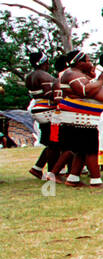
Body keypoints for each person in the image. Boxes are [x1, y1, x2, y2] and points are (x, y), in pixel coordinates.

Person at [51, 51, 103, 188]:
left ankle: (73, 178)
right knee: (90, 149)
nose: (90, 63)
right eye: (87, 60)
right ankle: (96, 180)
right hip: (80, 119)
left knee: (81, 150)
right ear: (78, 62)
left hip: (81, 118)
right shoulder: (72, 74)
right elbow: (83, 91)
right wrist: (101, 81)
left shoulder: (76, 74)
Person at [24, 51, 60, 180]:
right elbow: (48, 94)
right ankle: (46, 170)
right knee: (54, 143)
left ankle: (38, 168)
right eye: (47, 62)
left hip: (38, 109)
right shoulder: (43, 75)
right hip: (47, 110)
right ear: (43, 62)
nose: (48, 64)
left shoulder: (29, 76)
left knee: (52, 143)